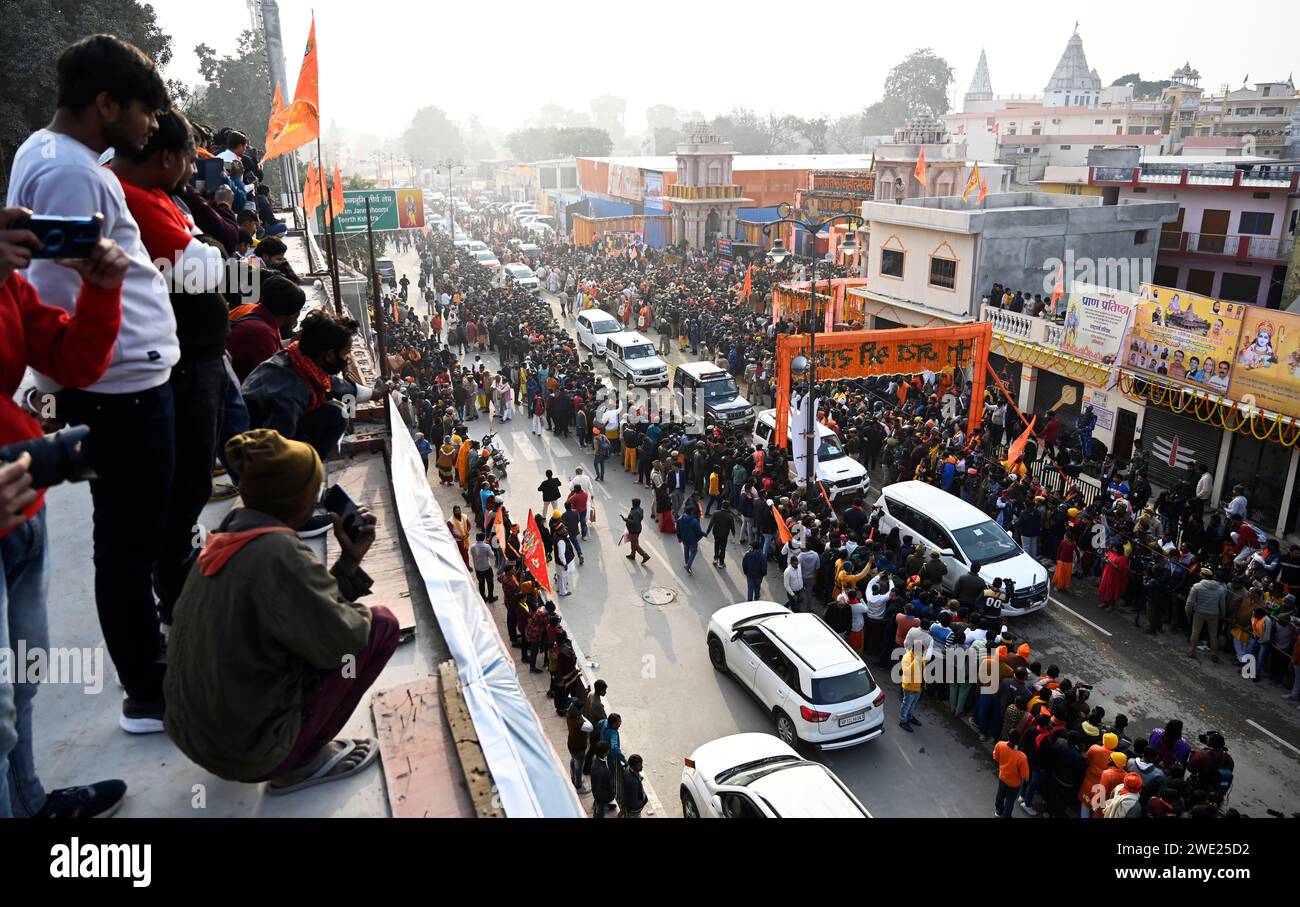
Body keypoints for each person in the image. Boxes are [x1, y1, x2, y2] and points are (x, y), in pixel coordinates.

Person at [8, 35, 178, 734]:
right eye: (143, 112)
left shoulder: (56, 158)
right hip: (117, 389)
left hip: (119, 379)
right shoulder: (71, 172)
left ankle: (152, 670)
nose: (149, 127)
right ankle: (148, 689)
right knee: (128, 542)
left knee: (132, 536)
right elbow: (50, 295)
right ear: (107, 103)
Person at [163, 429, 399, 793]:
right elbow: (344, 638)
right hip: (252, 755)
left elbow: (298, 610)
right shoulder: (279, 553)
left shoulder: (225, 537)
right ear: (300, 502)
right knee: (381, 625)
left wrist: (349, 564)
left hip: (194, 738)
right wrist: (343, 604)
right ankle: (300, 763)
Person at [1, 207, 133, 816]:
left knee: (23, 679)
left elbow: (73, 362)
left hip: (23, 500)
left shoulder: (9, 282)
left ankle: (27, 803)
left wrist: (101, 293)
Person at [242, 312, 379, 463]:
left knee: (336, 412)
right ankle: (305, 474)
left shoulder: (296, 359)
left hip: (265, 431)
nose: (348, 359)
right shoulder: (289, 393)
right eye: (346, 353)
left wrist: (375, 393)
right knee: (337, 414)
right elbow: (272, 451)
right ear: (329, 355)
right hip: (254, 450)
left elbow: (336, 385)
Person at [1185, 566, 1225, 662]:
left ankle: (1191, 651)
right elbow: (1222, 604)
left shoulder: (1196, 586)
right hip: (1214, 614)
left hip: (1199, 612)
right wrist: (1222, 615)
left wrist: (1188, 612)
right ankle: (1214, 653)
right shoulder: (1221, 589)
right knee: (1213, 635)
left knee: (1195, 632)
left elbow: (1190, 602)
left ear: (1202, 575)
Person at [993, 730, 1031, 818]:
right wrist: (1026, 779)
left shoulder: (1000, 745)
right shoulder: (1022, 756)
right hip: (1014, 783)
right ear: (1019, 741)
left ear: (1008, 737)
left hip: (1002, 777)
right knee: (1009, 801)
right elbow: (1025, 775)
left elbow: (996, 757)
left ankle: (999, 811)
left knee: (1000, 795)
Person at [564, 700, 591, 793]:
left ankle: (573, 777)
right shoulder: (579, 722)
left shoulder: (569, 715)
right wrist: (583, 717)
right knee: (579, 767)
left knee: (573, 760)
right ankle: (578, 786)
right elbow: (591, 727)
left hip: (572, 744)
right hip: (578, 747)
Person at [590, 741, 616, 818]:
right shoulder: (599, 770)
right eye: (608, 750)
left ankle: (604, 805)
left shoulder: (596, 757)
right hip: (602, 797)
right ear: (604, 753)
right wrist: (602, 800)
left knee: (600, 806)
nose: (609, 751)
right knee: (600, 812)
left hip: (603, 794)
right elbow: (597, 788)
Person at [706, 501, 735, 568]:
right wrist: (733, 533)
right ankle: (721, 563)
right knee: (723, 548)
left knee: (716, 545)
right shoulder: (730, 516)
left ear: (722, 506)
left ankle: (715, 558)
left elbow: (711, 523)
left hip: (716, 533)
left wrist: (707, 532)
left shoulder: (716, 513)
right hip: (724, 534)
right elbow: (732, 526)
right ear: (728, 508)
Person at [676, 508, 704, 575]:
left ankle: (686, 563)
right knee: (693, 552)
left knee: (686, 550)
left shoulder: (679, 519)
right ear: (691, 513)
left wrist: (679, 538)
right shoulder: (694, 521)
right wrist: (702, 535)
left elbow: (678, 530)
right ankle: (688, 565)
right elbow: (699, 532)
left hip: (684, 539)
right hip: (692, 540)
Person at [470, 532, 496, 602]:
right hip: (486, 567)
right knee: (490, 583)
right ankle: (490, 597)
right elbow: (491, 555)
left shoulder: (472, 547)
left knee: (481, 583)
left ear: (476, 538)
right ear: (483, 538)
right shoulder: (487, 546)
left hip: (478, 568)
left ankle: (483, 598)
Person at [620, 754, 648, 818]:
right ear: (633, 766)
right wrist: (642, 803)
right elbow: (634, 801)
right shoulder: (633, 782)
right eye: (639, 765)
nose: (641, 766)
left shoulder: (628, 769)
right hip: (634, 809)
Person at [623, 498, 650, 564]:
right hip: (636, 529)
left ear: (634, 504)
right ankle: (632, 554)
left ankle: (645, 555)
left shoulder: (636, 512)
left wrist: (627, 520)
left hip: (634, 530)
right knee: (633, 542)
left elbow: (635, 522)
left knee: (635, 544)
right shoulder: (639, 509)